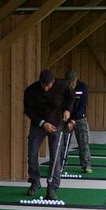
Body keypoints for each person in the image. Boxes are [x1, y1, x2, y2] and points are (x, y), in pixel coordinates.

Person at [23, 69, 73, 201]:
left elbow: (71, 97)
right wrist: (43, 123)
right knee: (32, 152)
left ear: (53, 81)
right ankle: (35, 181)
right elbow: (28, 110)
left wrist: (68, 110)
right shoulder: (31, 90)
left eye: (48, 85)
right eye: (43, 85)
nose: (45, 88)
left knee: (55, 156)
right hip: (38, 123)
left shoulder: (62, 85)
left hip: (57, 123)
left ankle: (52, 188)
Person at [65, 69, 92, 174]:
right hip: (66, 118)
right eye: (69, 81)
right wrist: (67, 119)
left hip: (79, 118)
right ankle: (61, 165)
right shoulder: (64, 87)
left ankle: (86, 165)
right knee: (63, 142)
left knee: (83, 142)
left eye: (72, 81)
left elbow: (83, 106)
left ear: (76, 78)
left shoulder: (83, 87)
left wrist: (74, 120)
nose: (70, 83)